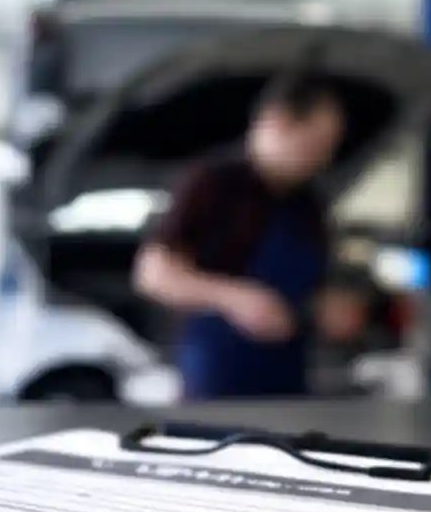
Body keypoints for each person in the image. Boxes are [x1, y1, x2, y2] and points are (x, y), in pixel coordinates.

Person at [133, 71, 361, 399]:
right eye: (316, 144)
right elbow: (152, 275)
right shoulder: (211, 184)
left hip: (287, 380)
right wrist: (234, 298)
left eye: (329, 149)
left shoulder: (308, 202)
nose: (322, 159)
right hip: (217, 378)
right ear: (279, 121)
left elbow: (314, 287)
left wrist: (327, 308)